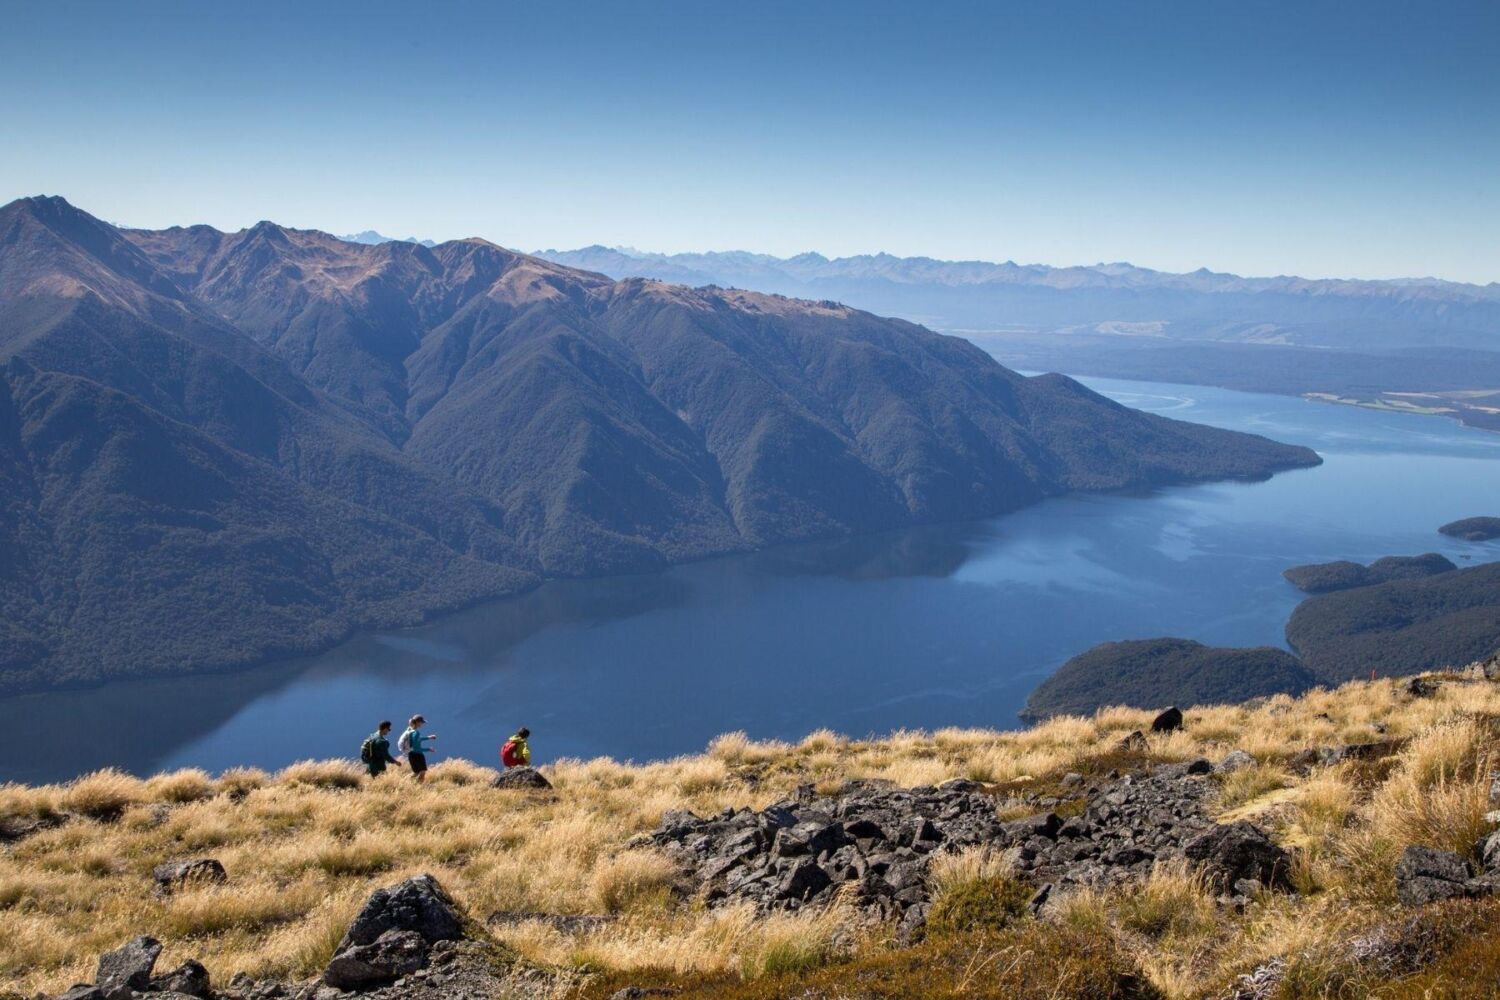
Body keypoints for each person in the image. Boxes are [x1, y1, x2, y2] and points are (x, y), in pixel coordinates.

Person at [398, 715, 437, 782]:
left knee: (416, 772)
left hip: (411, 754)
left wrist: (428, 737)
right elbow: (416, 748)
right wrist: (428, 749)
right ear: (418, 722)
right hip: (417, 755)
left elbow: (416, 740)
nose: (422, 724)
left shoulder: (410, 730)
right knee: (423, 772)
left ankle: (402, 782)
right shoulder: (416, 733)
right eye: (422, 722)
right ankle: (419, 787)